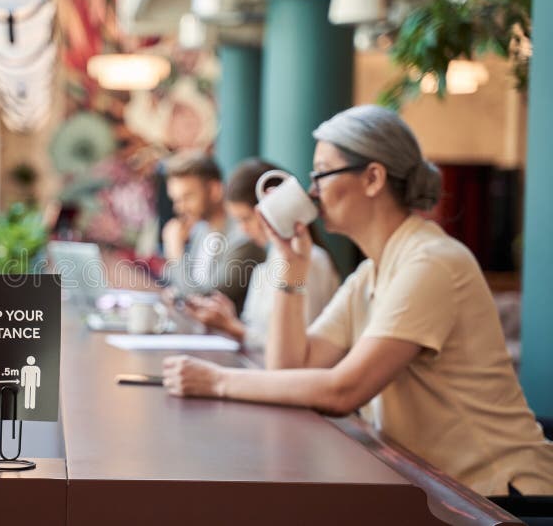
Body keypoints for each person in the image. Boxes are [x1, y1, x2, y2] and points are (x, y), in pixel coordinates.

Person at [162, 105, 553, 498]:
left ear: (372, 178)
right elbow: (288, 368)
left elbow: (343, 391)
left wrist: (218, 381)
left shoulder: (432, 262)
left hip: (500, 498)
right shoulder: (371, 273)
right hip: (437, 489)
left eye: (322, 173)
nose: (312, 190)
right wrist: (292, 265)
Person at [183, 158, 339, 353]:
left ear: (274, 211)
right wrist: (228, 318)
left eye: (246, 219)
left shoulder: (311, 262)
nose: (243, 230)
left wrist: (235, 328)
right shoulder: (269, 262)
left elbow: (300, 347)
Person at [161, 151, 266, 314]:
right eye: (176, 200)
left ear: (215, 190)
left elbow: (205, 299)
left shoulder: (244, 238)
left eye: (187, 197)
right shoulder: (200, 229)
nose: (179, 208)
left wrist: (175, 253)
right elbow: (181, 285)